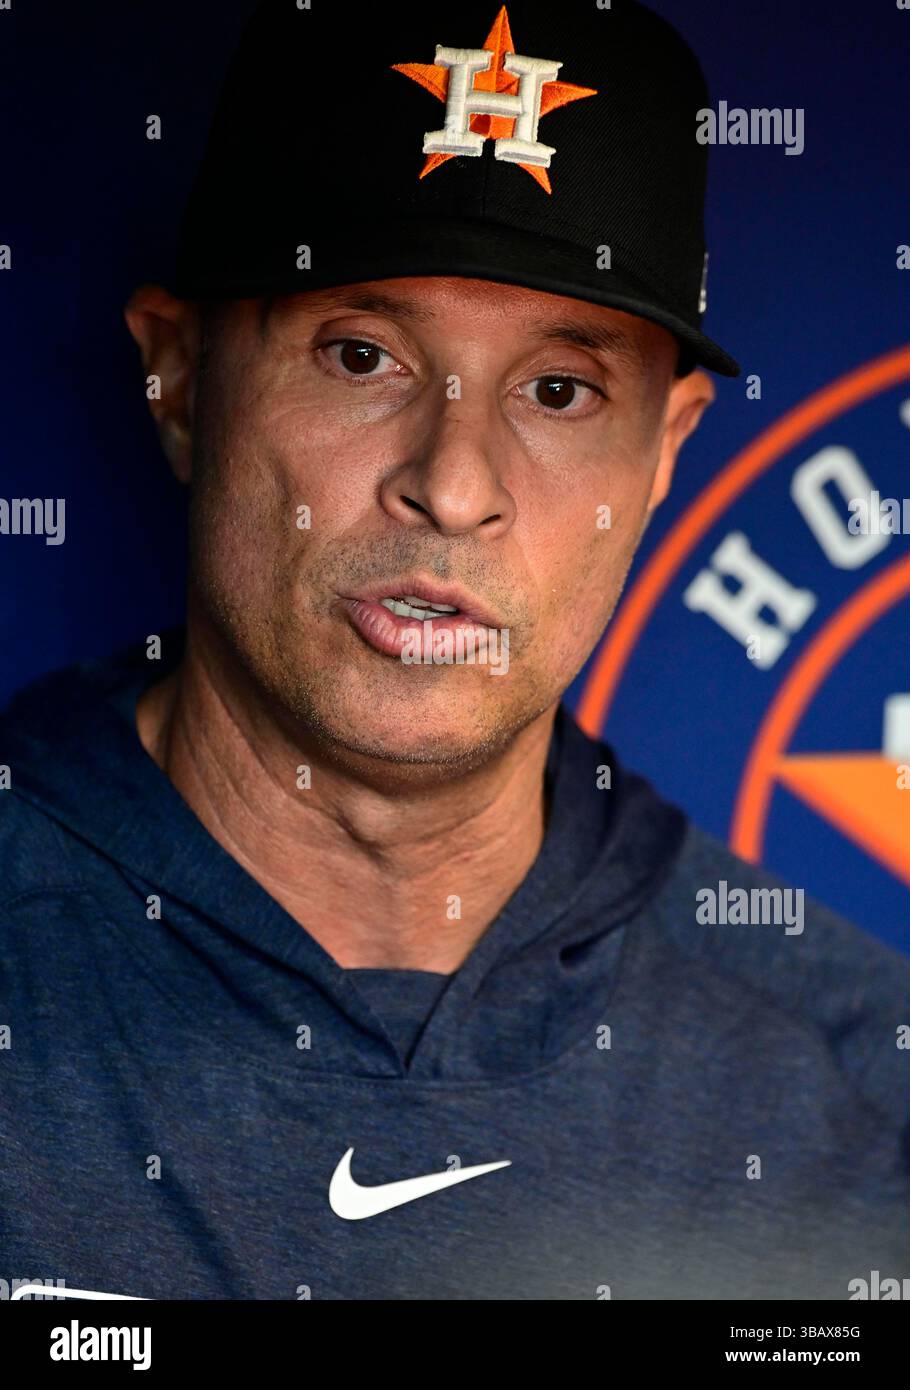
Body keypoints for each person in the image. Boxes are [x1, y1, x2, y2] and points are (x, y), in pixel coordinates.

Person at [1, 0, 907, 1301]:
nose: (454, 482)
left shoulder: (856, 1091)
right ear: (182, 378)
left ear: (664, 452)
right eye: (362, 355)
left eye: (558, 388)